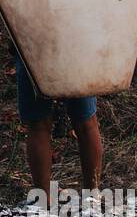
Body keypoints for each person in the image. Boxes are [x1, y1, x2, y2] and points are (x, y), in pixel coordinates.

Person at [15, 51, 104, 204]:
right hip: (78, 45)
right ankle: (92, 195)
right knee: (86, 123)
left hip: (35, 44)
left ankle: (43, 199)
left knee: (39, 125)